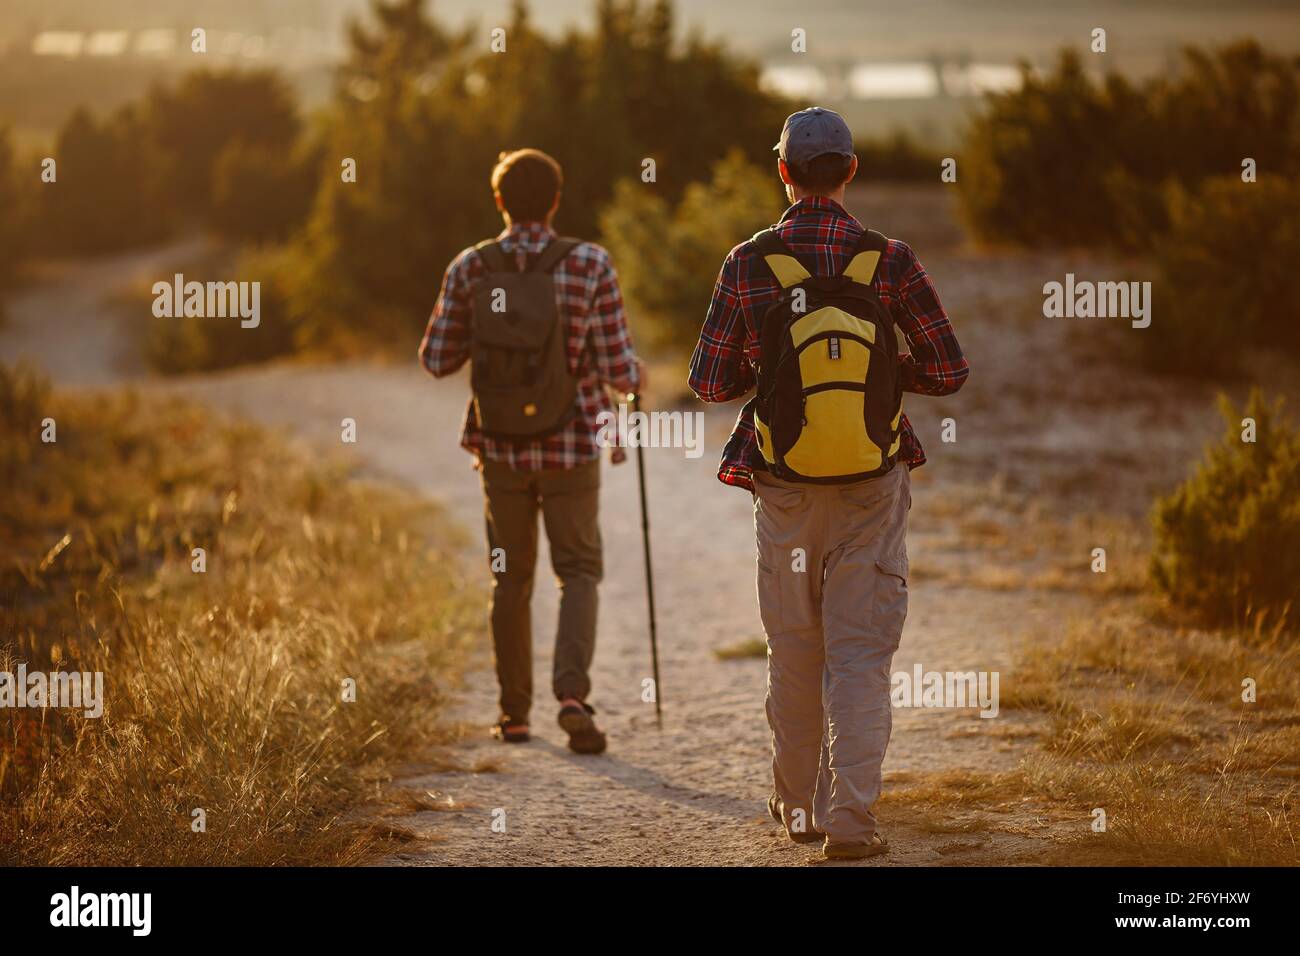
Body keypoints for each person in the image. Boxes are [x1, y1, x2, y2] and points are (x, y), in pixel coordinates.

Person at [688, 108, 969, 858]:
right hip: (871, 486)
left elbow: (709, 381)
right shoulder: (891, 259)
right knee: (859, 655)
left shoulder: (749, 261)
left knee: (796, 648)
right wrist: (882, 377)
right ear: (850, 170)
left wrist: (774, 375)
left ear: (782, 171)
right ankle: (852, 822)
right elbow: (949, 369)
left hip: (782, 486)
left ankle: (797, 808)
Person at [419, 148, 644, 754]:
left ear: (499, 201)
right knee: (578, 571)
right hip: (571, 447)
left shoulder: (470, 267)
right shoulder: (590, 263)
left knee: (509, 578)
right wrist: (632, 377)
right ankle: (572, 696)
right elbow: (620, 370)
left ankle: (513, 715)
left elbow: (436, 360)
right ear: (555, 200)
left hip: (499, 449)